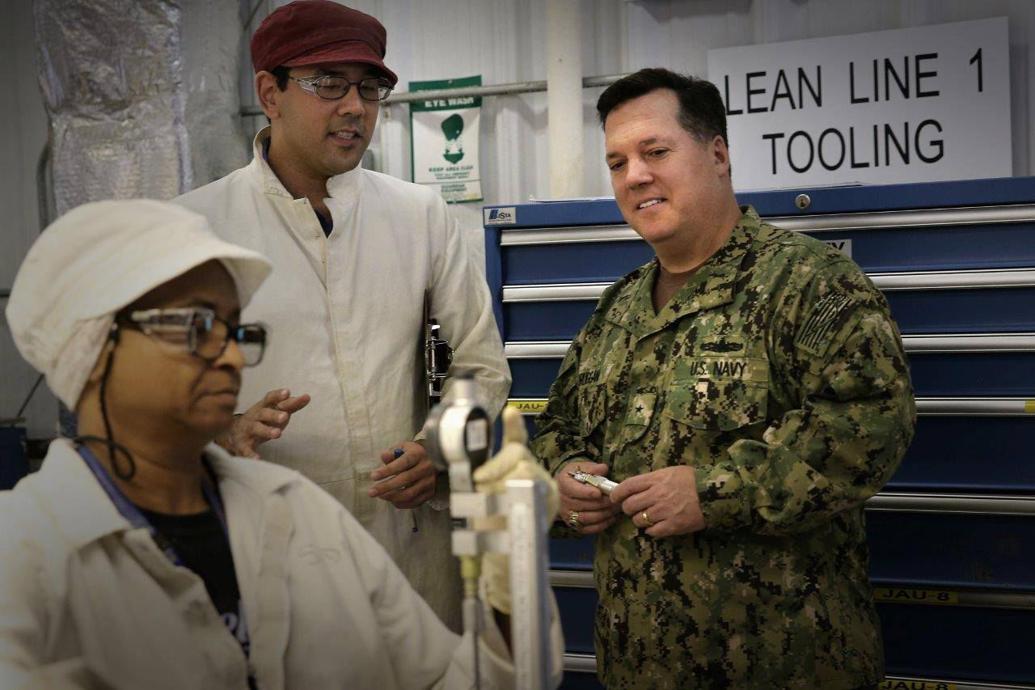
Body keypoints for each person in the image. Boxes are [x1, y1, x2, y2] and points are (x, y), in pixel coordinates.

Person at [0, 200, 559, 690]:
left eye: (236, 330)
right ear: (93, 348)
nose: (231, 357)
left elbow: (444, 679)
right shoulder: (25, 561)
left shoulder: (295, 510)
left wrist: (507, 556)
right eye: (195, 327)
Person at [530, 68, 917, 689]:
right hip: (638, 666)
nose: (635, 176)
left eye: (655, 151)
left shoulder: (810, 282)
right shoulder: (618, 308)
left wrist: (713, 492)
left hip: (784, 665)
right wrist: (564, 477)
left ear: (716, 155)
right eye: (617, 162)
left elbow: (867, 430)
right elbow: (558, 426)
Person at [175, 0, 510, 631]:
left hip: (406, 550)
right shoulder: (193, 228)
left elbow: (481, 365)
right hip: (268, 558)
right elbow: (144, 400)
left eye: (372, 88)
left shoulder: (419, 216)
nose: (355, 108)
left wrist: (438, 448)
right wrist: (218, 435)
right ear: (268, 92)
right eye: (327, 84)